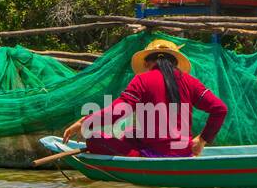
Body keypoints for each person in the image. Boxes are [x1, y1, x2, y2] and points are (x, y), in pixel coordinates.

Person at [62, 39, 228, 157]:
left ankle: (138, 157)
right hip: (183, 152)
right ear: (174, 63)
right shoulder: (190, 81)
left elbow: (118, 111)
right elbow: (220, 109)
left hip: (155, 153)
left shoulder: (142, 80)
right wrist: (202, 140)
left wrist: (84, 121)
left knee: (94, 140)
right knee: (130, 132)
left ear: (148, 63)